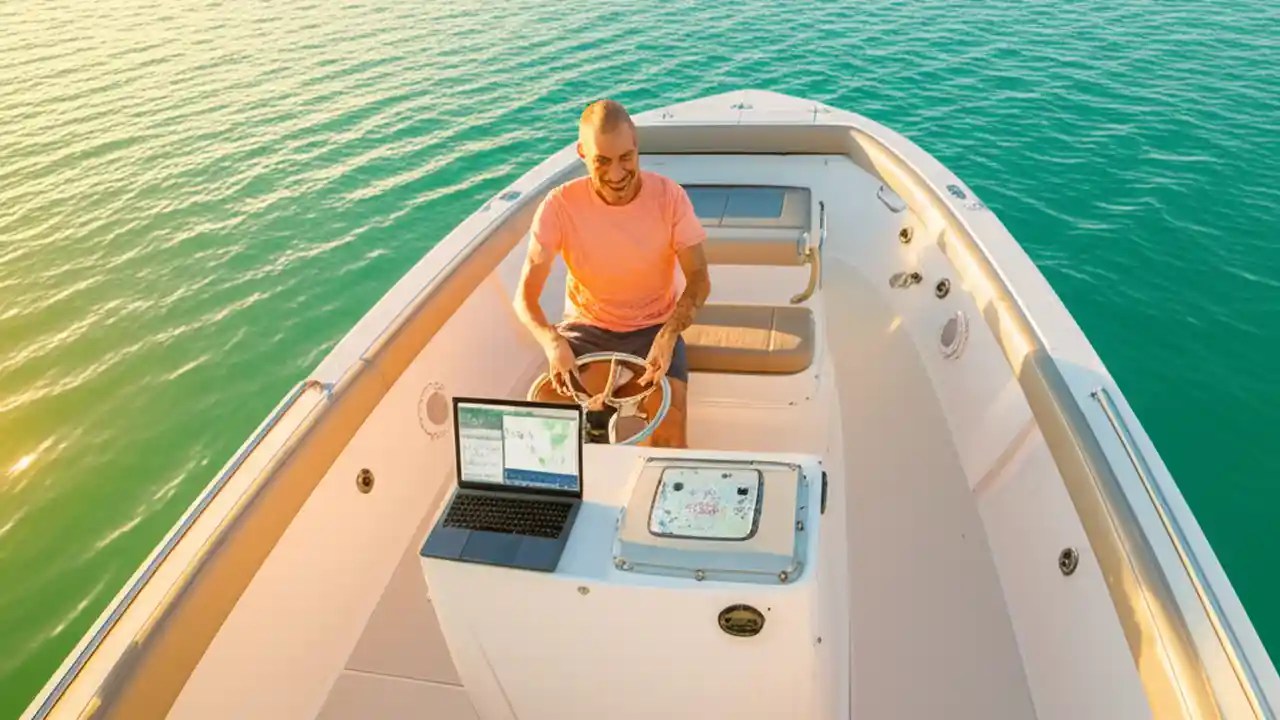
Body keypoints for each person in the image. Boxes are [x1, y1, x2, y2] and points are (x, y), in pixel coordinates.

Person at [513, 98, 710, 448]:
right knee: (546, 424)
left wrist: (668, 335)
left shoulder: (670, 198)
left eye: (626, 158)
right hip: (586, 330)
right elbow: (525, 299)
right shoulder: (559, 207)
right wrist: (552, 341)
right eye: (602, 161)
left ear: (637, 149)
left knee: (670, 425)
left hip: (654, 329)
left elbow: (699, 279)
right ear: (582, 154)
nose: (616, 174)